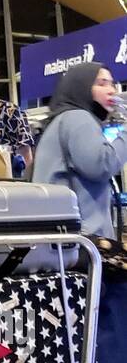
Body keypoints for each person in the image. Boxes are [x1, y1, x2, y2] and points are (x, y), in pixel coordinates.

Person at [32, 63, 127, 240]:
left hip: (65, 238)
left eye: (111, 83)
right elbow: (101, 165)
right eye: (101, 83)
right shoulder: (78, 118)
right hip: (81, 240)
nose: (111, 90)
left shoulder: (61, 120)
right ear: (80, 86)